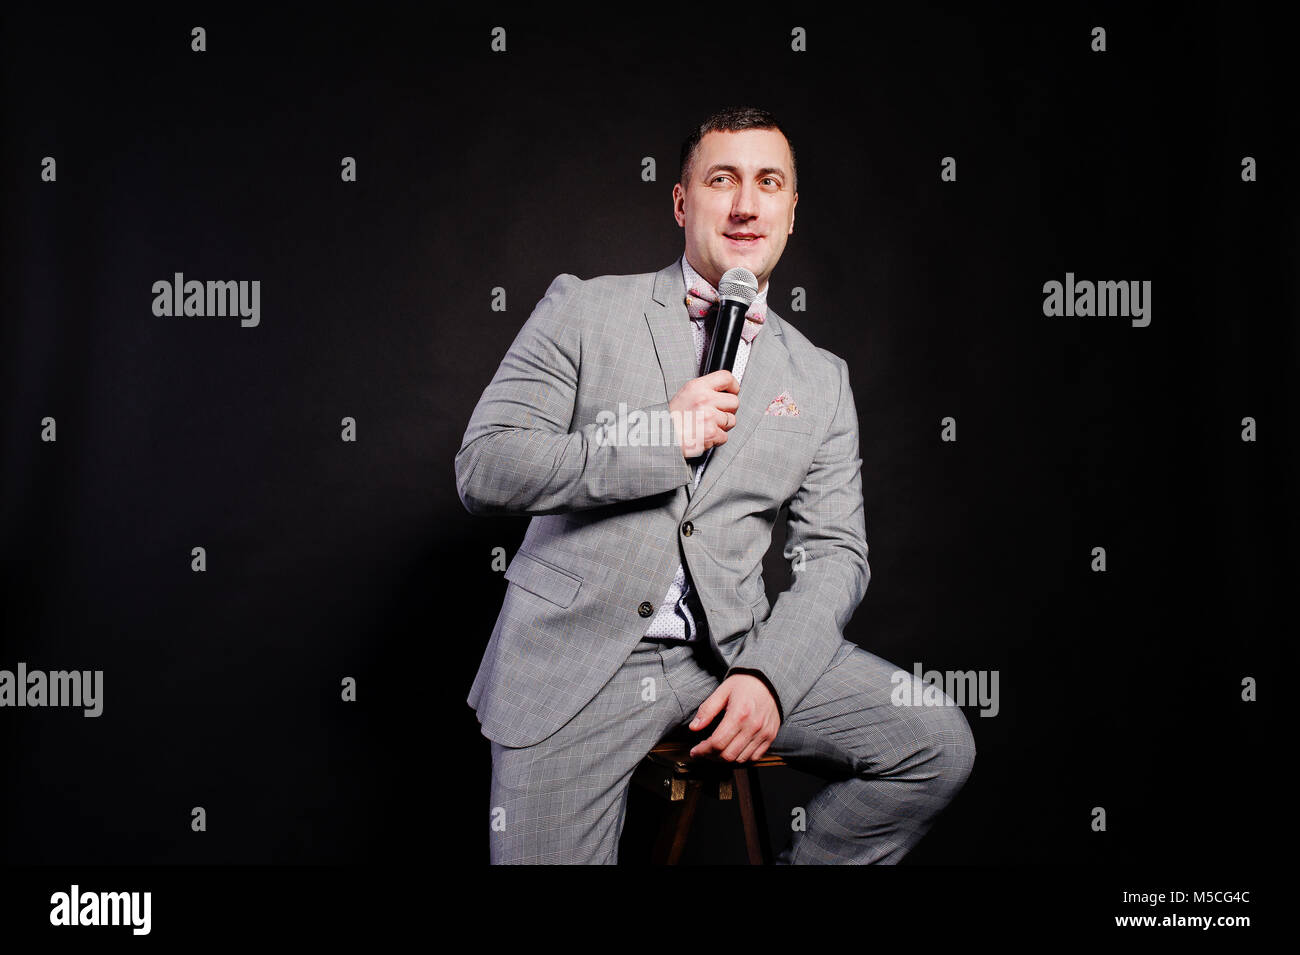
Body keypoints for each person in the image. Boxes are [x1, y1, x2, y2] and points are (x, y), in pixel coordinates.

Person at [455, 106, 975, 864]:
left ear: (791, 212)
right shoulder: (585, 309)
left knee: (932, 743)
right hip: (580, 661)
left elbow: (836, 555)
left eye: (769, 183)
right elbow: (485, 467)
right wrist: (654, 435)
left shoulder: (821, 379)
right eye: (722, 179)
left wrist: (771, 675)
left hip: (731, 655)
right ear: (680, 201)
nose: (744, 203)